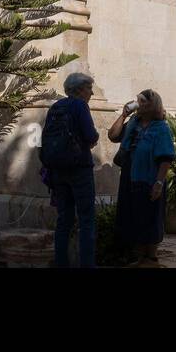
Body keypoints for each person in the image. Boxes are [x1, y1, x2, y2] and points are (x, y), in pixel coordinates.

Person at [107, 89, 175, 266]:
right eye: (138, 101)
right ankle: (140, 257)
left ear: (153, 105)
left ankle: (151, 258)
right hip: (130, 177)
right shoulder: (132, 123)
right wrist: (123, 116)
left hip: (150, 178)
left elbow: (166, 157)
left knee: (150, 217)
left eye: (143, 101)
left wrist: (159, 182)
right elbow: (113, 136)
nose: (139, 104)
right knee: (133, 216)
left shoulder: (161, 128)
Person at [40, 71, 100, 268]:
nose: (91, 93)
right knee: (86, 221)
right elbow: (91, 136)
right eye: (89, 88)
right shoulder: (80, 105)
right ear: (81, 89)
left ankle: (61, 263)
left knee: (63, 220)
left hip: (57, 170)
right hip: (79, 168)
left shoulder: (56, 106)